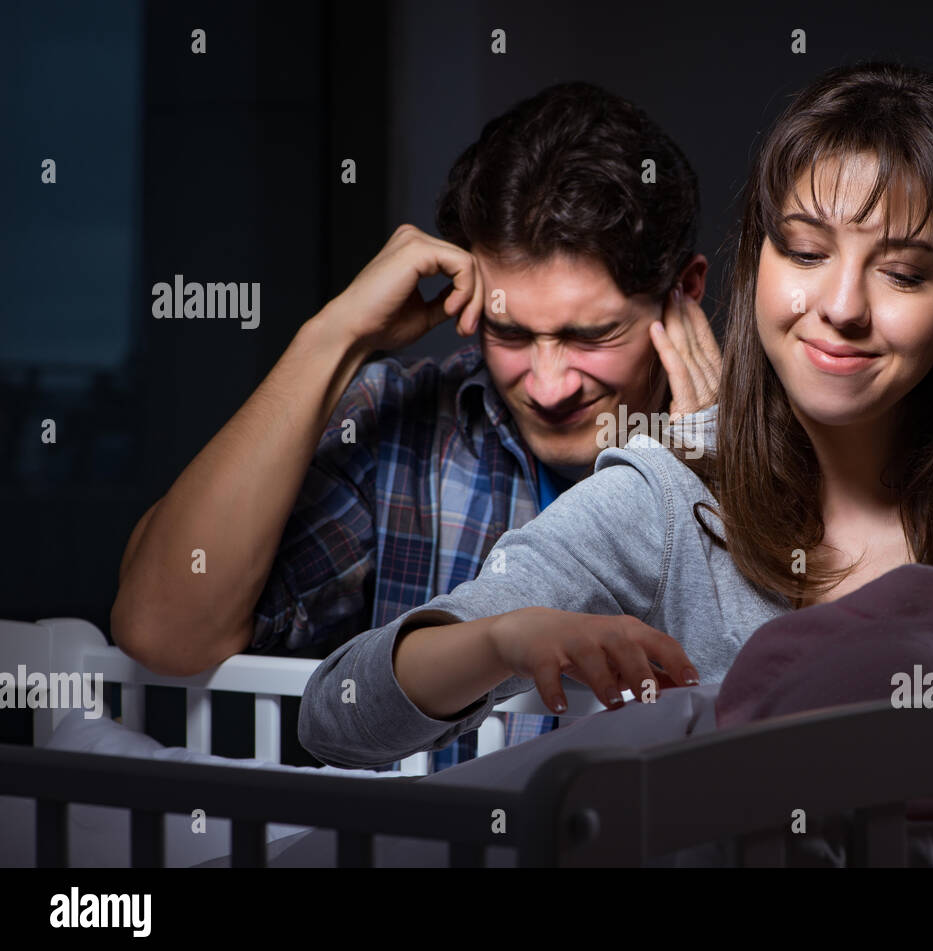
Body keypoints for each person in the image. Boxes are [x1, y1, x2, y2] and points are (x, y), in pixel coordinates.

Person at [297, 61, 933, 771]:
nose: (840, 306)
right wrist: (502, 635)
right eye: (803, 251)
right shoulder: (674, 481)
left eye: (903, 272)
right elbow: (336, 713)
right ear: (755, 260)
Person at [109, 82, 722, 768]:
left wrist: (711, 469)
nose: (548, 385)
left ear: (685, 291)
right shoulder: (402, 429)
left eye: (592, 335)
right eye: (508, 329)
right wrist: (332, 339)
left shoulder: (780, 451)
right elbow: (161, 629)